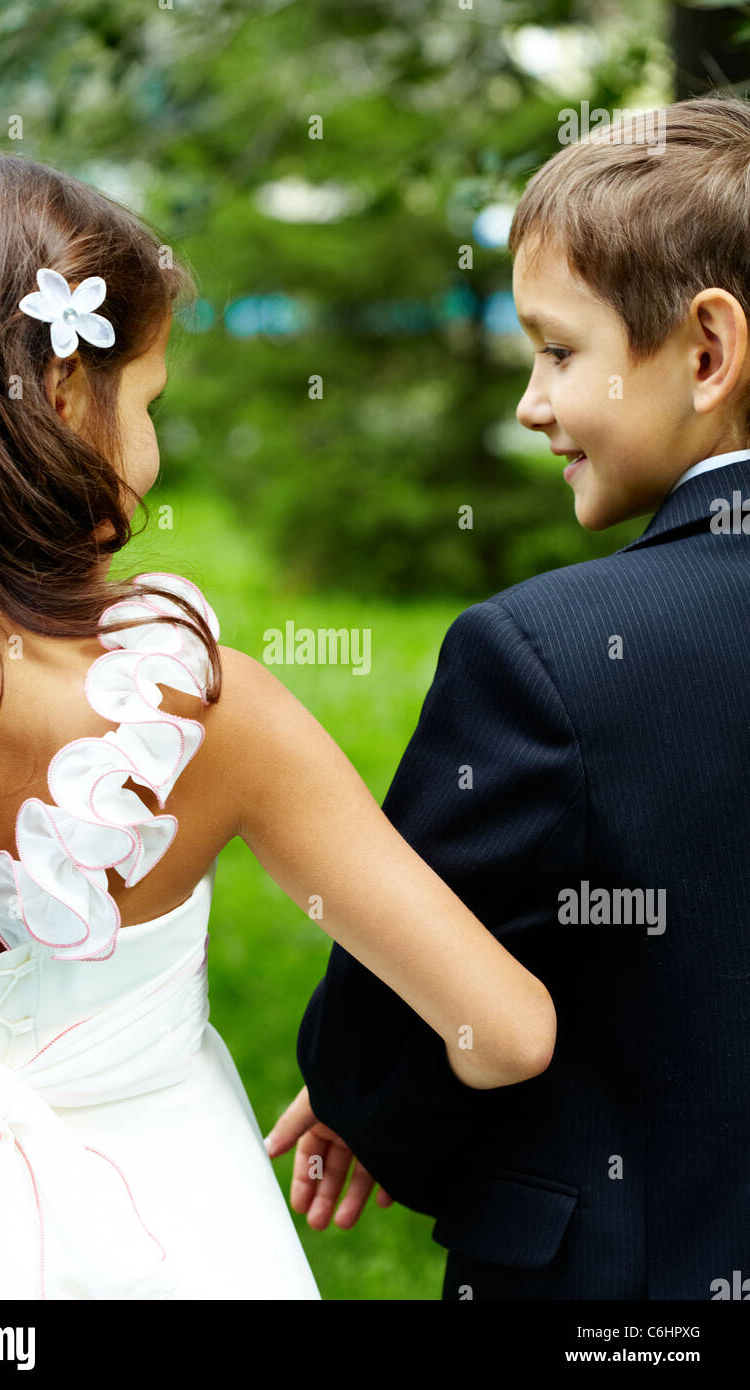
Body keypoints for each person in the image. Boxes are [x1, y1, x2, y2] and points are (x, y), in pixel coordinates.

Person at [0, 148, 555, 1301]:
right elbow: (502, 1030)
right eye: (144, 402)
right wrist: (360, 1097)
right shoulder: (203, 712)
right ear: (57, 400)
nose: (149, 451)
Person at [276, 94, 750, 1301]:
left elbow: (389, 1031)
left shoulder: (542, 655)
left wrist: (359, 1098)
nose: (531, 404)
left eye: (555, 351)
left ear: (705, 352)